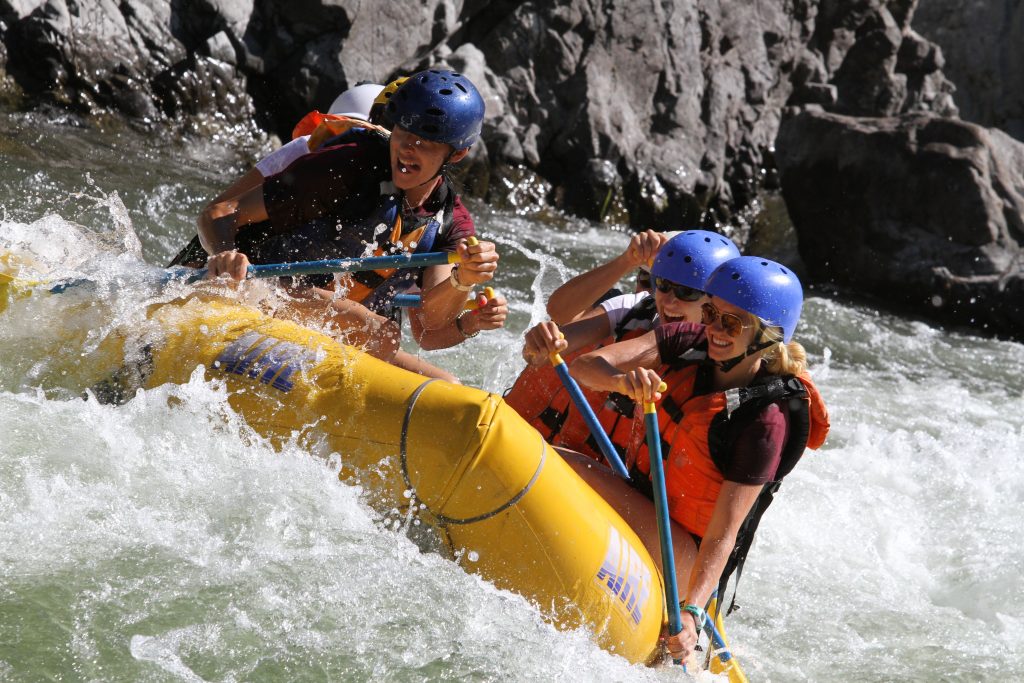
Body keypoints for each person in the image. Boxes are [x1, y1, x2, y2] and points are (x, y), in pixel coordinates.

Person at [564, 256, 829, 663]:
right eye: (711, 312)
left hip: (684, 559)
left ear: (768, 336)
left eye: (733, 323)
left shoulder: (765, 421)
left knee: (566, 464)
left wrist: (690, 613)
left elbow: (724, 533)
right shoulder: (689, 339)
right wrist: (622, 382)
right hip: (646, 510)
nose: (715, 330)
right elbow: (585, 365)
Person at [178, 69, 500, 371]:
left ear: (457, 153)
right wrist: (224, 253)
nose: (407, 149)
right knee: (382, 335)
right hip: (254, 288)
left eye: (426, 143)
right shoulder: (346, 167)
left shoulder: (448, 220)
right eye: (403, 132)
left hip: (312, 316)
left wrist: (464, 279)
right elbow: (219, 213)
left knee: (417, 360)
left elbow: (430, 324)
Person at [507, 230, 740, 456]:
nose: (669, 301)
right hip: (564, 458)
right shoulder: (637, 306)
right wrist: (538, 345)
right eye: (662, 284)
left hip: (616, 485)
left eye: (687, 292)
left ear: (716, 304)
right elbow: (552, 332)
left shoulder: (727, 356)